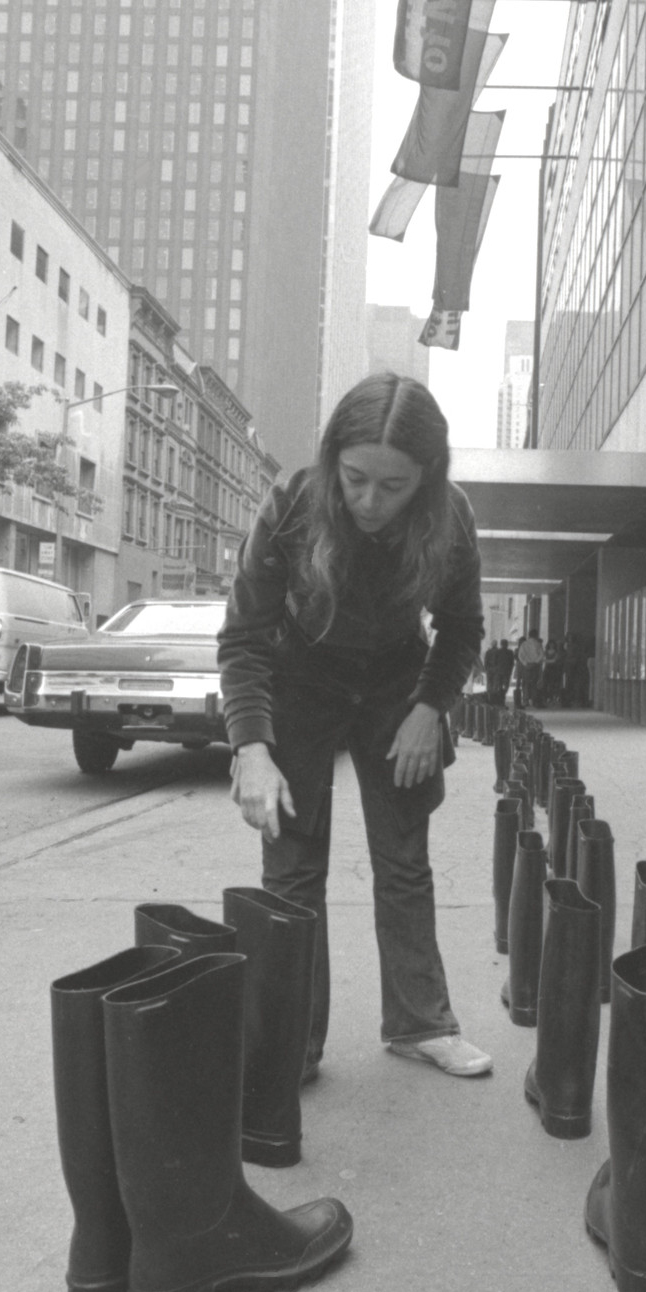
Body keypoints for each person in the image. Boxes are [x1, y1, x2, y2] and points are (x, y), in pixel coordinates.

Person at [218, 373, 492, 1079]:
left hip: (399, 687)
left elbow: (462, 630)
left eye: (393, 487)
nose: (369, 502)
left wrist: (431, 709)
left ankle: (419, 1024)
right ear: (333, 457)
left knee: (404, 864)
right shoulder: (293, 504)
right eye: (355, 478)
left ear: (427, 480)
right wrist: (251, 747)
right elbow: (244, 637)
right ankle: (292, 1046)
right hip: (301, 682)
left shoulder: (452, 518)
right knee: (292, 870)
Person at [515, 628, 545, 708]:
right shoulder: (538, 644)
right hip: (535, 666)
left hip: (526, 666)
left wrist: (525, 663)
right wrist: (535, 662)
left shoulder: (524, 644)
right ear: (536, 635)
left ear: (529, 635)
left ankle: (525, 701)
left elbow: (520, 655)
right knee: (534, 684)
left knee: (525, 684)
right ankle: (534, 701)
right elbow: (541, 655)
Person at [541, 637, 564, 709]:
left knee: (552, 684)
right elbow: (543, 659)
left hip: (553, 669)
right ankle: (546, 697)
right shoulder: (546, 651)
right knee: (545, 683)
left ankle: (552, 698)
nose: (551, 645)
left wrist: (547, 660)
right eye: (550, 644)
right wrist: (548, 660)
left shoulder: (556, 652)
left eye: (552, 644)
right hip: (547, 669)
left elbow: (554, 660)